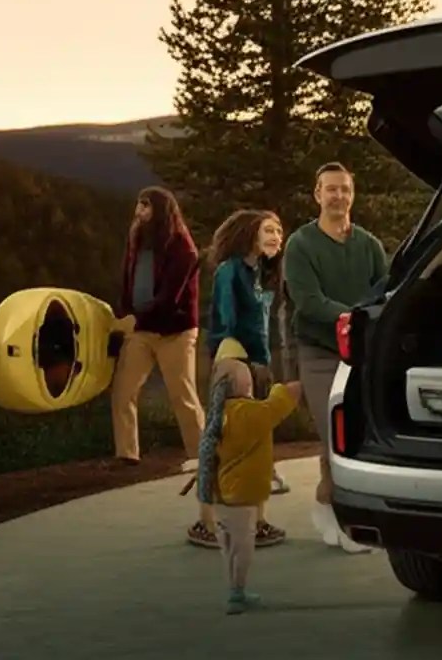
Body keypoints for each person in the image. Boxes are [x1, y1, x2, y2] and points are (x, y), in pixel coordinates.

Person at [283, 161, 386, 554]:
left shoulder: (369, 245)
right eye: (331, 189)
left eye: (345, 189)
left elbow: (383, 291)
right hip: (320, 351)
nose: (338, 196)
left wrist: (367, 325)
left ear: (352, 195)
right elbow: (309, 302)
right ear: (318, 194)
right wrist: (355, 318)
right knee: (333, 436)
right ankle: (346, 522)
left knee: (353, 436)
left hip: (361, 353)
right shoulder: (301, 245)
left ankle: (325, 503)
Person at [110, 185, 216, 546]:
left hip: (174, 331)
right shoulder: (136, 240)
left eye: (146, 205)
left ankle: (202, 457)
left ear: (161, 210)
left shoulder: (182, 248)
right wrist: (125, 313)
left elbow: (170, 298)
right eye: (138, 204)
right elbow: (128, 281)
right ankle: (127, 454)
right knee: (124, 389)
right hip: (141, 329)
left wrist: (135, 319)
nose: (139, 210)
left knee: (182, 394)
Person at [204, 208, 290, 548]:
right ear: (249, 233)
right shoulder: (230, 271)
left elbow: (267, 325)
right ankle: (207, 522)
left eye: (279, 231)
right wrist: (240, 366)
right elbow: (226, 322)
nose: (276, 237)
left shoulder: (263, 274)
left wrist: (267, 363)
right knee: (222, 443)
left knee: (259, 443)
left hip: (259, 364)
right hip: (235, 363)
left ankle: (259, 522)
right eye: (269, 230)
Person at [196, 348, 302, 614]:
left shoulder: (219, 415)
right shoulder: (248, 413)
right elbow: (277, 406)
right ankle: (237, 594)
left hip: (220, 495)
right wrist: (287, 388)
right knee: (243, 547)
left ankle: (234, 588)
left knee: (229, 547)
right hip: (241, 498)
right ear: (243, 385)